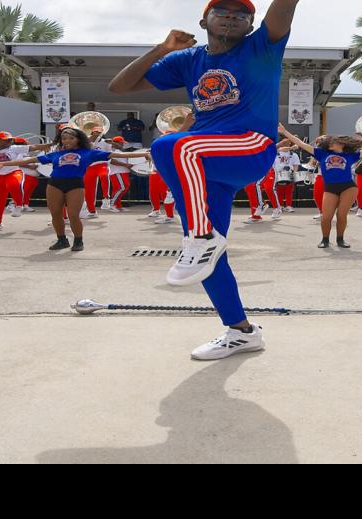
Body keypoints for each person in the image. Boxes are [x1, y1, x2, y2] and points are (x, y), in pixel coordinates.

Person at [109, 0, 302, 361]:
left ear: (251, 24)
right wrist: (162, 49)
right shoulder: (188, 60)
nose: (232, 16)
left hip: (249, 146)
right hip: (206, 166)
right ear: (204, 21)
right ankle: (241, 331)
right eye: (223, 12)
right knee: (206, 260)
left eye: (241, 14)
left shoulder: (262, 46)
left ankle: (200, 237)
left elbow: (285, 7)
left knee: (169, 146)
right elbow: (119, 88)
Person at [0, 126, 148, 251]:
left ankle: (78, 241)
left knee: (73, 215)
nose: (67, 141)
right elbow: (32, 159)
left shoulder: (89, 152)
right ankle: (62, 240)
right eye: (64, 138)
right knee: (55, 214)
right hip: (54, 184)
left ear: (78, 139)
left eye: (70, 138)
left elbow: (114, 154)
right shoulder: (56, 154)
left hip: (75, 184)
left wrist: (144, 154)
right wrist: (3, 164)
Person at [278, 125, 362, 249]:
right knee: (326, 217)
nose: (329, 143)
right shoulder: (321, 153)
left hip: (348, 187)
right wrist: (284, 132)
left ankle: (340, 239)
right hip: (330, 187)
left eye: (333, 142)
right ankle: (325, 240)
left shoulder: (350, 155)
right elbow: (299, 143)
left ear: (341, 144)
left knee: (341, 215)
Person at [0, 131, 30, 232]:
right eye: (6, 139)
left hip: (12, 172)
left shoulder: (14, 148)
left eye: (10, 139)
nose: (9, 141)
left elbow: (34, 147)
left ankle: (18, 205)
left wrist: (49, 145)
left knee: (14, 184)